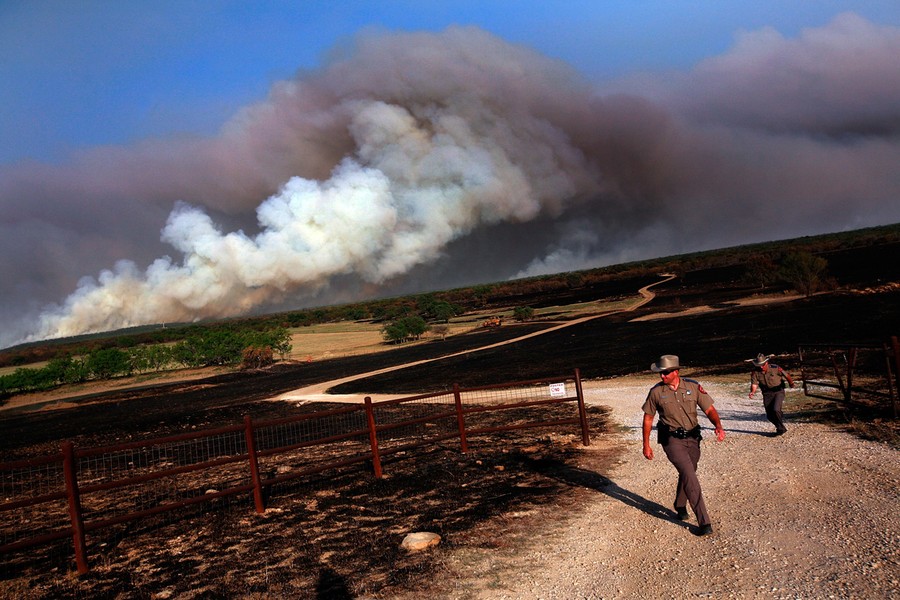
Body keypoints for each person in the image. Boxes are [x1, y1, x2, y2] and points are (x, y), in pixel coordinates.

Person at [642, 355, 726, 536]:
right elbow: (648, 418)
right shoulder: (656, 392)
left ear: (676, 372)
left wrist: (718, 425)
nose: (662, 376)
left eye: (665, 373)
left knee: (689, 471)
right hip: (671, 440)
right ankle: (704, 522)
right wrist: (646, 445)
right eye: (661, 373)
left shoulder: (693, 387)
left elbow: (709, 410)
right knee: (689, 474)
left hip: (693, 438)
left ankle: (680, 504)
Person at [746, 353, 795, 436]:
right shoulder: (755, 372)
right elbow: (754, 384)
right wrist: (752, 392)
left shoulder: (775, 368)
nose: (761, 367)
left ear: (766, 363)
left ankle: (780, 428)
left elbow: (786, 375)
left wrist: (791, 383)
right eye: (759, 365)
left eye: (762, 365)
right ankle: (780, 427)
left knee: (776, 409)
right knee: (769, 415)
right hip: (767, 393)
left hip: (778, 391)